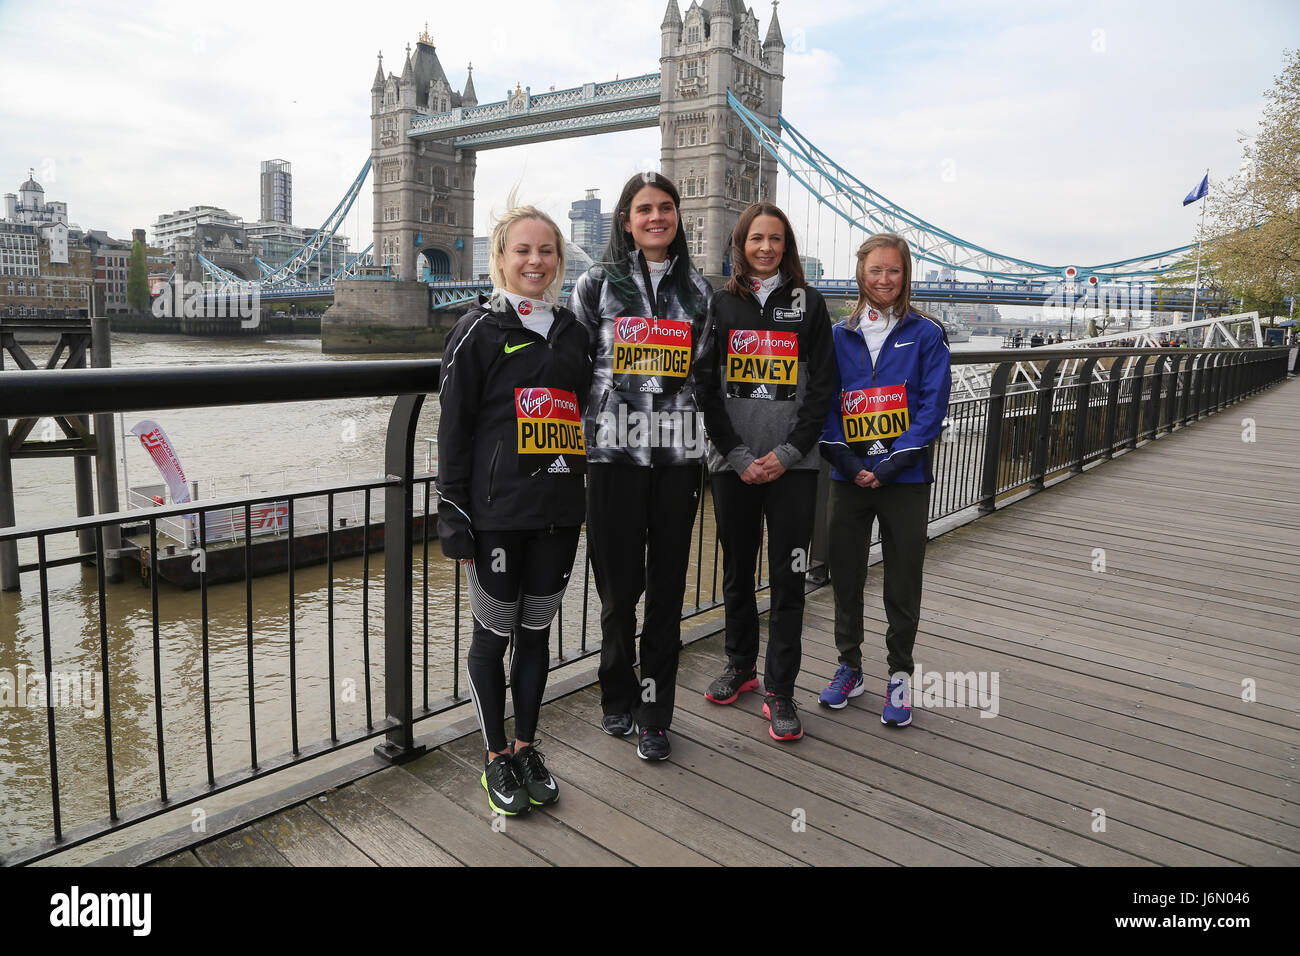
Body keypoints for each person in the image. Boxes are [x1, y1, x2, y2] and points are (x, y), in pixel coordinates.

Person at [436, 202, 592, 815]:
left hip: (557, 510)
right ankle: (495, 756)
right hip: (497, 515)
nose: (535, 261)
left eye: (546, 251)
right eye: (522, 250)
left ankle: (528, 746)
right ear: (499, 258)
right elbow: (454, 432)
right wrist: (454, 517)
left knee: (535, 633)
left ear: (558, 260)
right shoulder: (476, 331)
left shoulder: (573, 334)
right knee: (492, 634)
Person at [571, 171, 713, 761]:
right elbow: (573, 370)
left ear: (677, 218)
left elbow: (707, 378)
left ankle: (656, 713)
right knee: (617, 591)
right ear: (625, 221)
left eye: (666, 208)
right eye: (644, 209)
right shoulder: (594, 286)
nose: (656, 218)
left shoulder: (701, 293)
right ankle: (616, 694)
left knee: (665, 592)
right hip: (611, 456)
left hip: (677, 458)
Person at [694, 203, 834, 741]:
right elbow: (705, 385)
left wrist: (788, 453)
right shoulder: (721, 303)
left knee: (788, 580)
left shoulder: (810, 304)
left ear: (787, 246)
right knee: (736, 573)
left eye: (776, 239)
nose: (766, 248)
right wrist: (735, 454)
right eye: (756, 238)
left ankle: (781, 688)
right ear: (740, 244)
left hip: (793, 468)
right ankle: (740, 665)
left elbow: (822, 387)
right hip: (734, 467)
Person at [817, 233, 952, 727]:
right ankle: (849, 667)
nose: (884, 280)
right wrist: (852, 465)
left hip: (905, 479)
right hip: (848, 476)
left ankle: (899, 675)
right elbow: (826, 406)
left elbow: (931, 408)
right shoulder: (836, 335)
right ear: (860, 273)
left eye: (893, 270)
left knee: (902, 581)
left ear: (906, 274)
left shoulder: (928, 334)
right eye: (875, 270)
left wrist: (889, 464)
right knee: (847, 576)